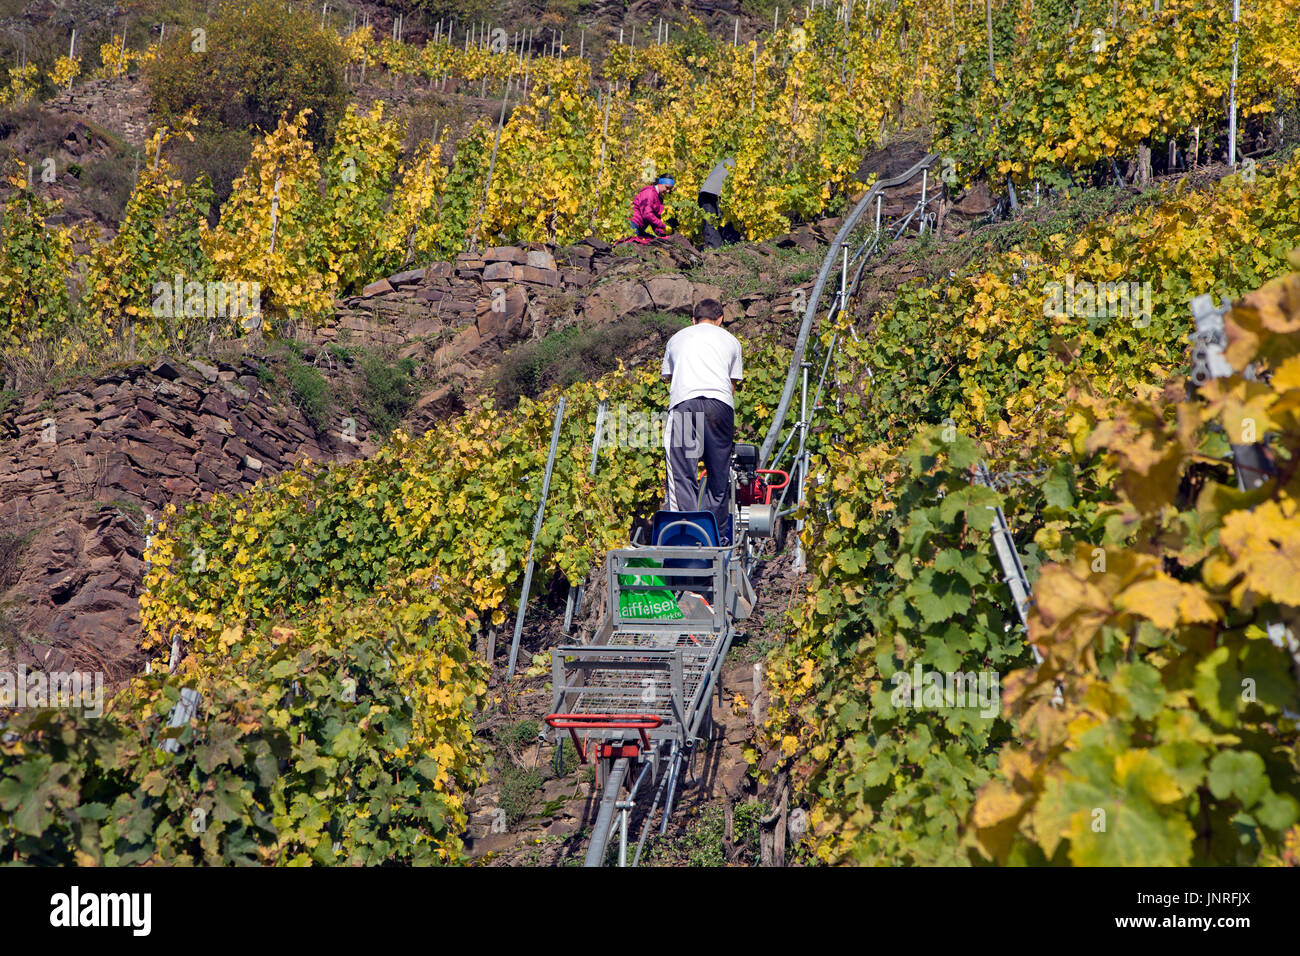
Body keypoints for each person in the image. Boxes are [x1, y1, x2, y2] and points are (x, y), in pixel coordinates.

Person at [661, 298, 743, 545]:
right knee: (718, 476)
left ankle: (686, 534)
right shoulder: (731, 340)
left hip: (685, 405)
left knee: (683, 473)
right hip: (719, 406)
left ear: (693, 320)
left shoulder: (677, 338)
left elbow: (670, 376)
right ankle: (715, 537)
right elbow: (731, 385)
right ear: (720, 320)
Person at [697, 157, 734, 249]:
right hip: (714, 193)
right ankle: (718, 252)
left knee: (710, 223)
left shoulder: (726, 161)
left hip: (706, 192)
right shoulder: (740, 164)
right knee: (718, 223)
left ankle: (714, 250)